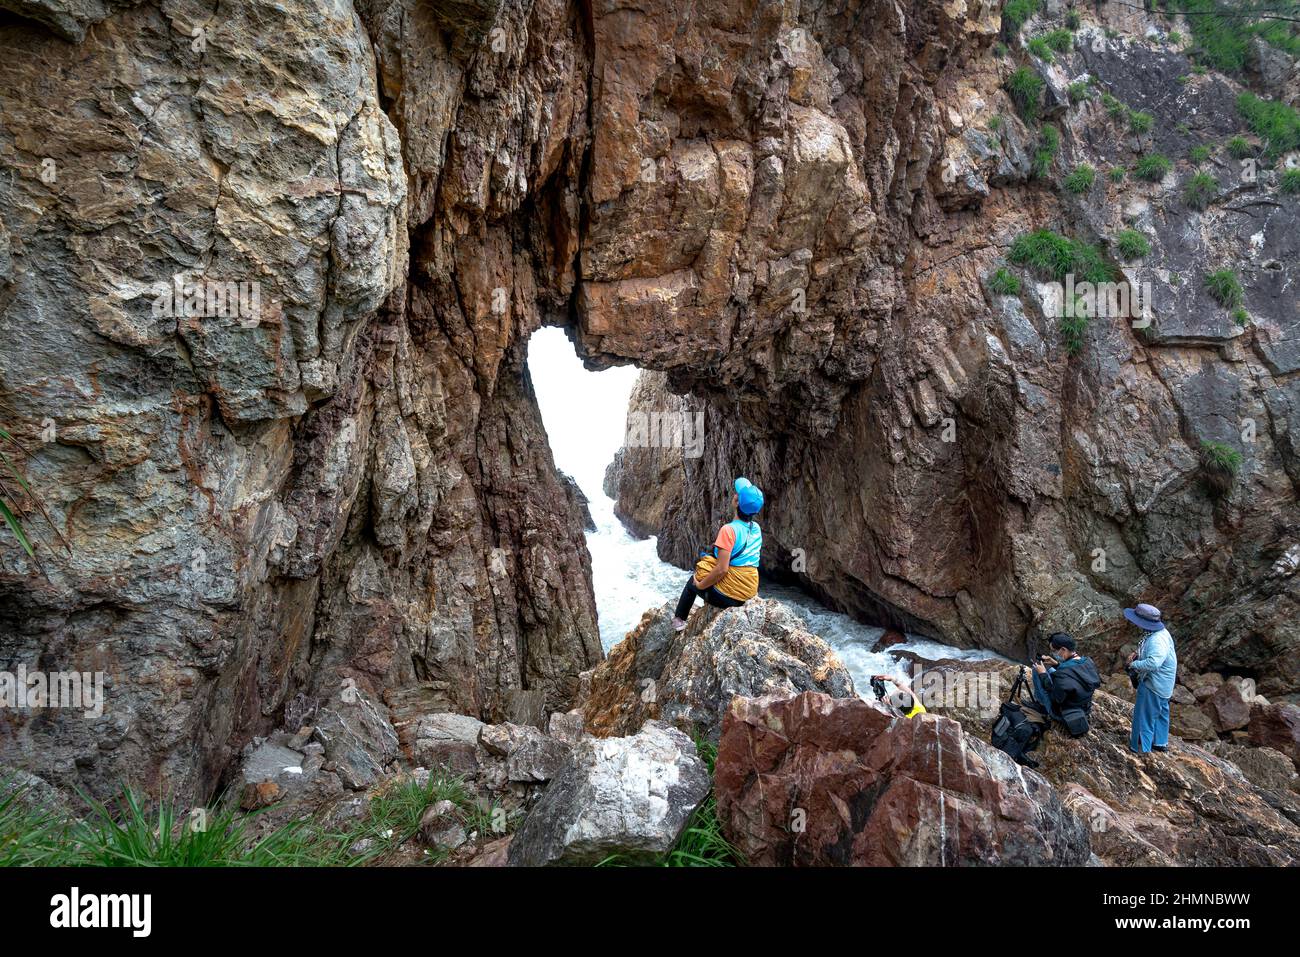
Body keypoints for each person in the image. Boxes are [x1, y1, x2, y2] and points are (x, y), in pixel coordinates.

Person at [671, 477, 765, 631]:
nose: (735, 494)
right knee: (708, 558)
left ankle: (679, 620)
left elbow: (722, 569)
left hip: (733, 598)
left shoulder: (728, 530)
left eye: (738, 494)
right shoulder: (756, 528)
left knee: (692, 582)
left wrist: (700, 585)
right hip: (750, 589)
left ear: (736, 502)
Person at [1123, 602, 1178, 753]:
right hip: (1165, 684)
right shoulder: (1162, 633)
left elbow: (1154, 662)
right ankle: (1159, 742)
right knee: (1161, 712)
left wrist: (1134, 664)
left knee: (1143, 716)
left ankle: (1140, 748)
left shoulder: (1156, 640)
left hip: (1153, 684)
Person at [1030, 632, 1100, 735]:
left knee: (1036, 670)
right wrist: (1057, 664)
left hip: (1063, 712)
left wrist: (1043, 674)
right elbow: (1074, 674)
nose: (1053, 653)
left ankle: (1040, 703)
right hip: (1083, 707)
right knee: (1052, 671)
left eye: (1054, 651)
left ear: (1063, 649)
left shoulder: (1062, 674)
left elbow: (1055, 698)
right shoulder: (1087, 662)